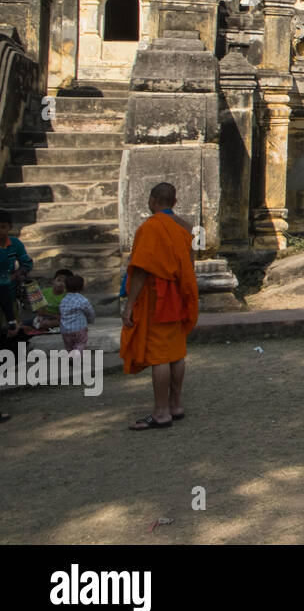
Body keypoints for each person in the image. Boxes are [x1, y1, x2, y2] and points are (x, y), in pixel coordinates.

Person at [121, 182, 200, 430]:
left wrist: (129, 303)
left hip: (158, 298)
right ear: (174, 203)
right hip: (178, 294)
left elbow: (143, 268)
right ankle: (175, 405)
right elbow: (189, 262)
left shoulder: (151, 227)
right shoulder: (184, 227)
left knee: (160, 357)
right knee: (176, 353)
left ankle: (161, 412)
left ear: (152, 200)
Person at [0, 209, 34, 338]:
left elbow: (27, 263)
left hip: (11, 290)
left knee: (12, 325)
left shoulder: (15, 244)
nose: (0, 231)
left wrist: (17, 275)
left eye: (3, 227)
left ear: (9, 227)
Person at [55, 273, 95, 353]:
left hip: (65, 330)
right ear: (82, 287)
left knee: (69, 346)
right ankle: (75, 357)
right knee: (80, 343)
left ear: (66, 287)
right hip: (79, 329)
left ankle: (71, 356)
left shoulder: (63, 300)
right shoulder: (83, 300)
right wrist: (90, 320)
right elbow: (90, 312)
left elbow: (61, 313)